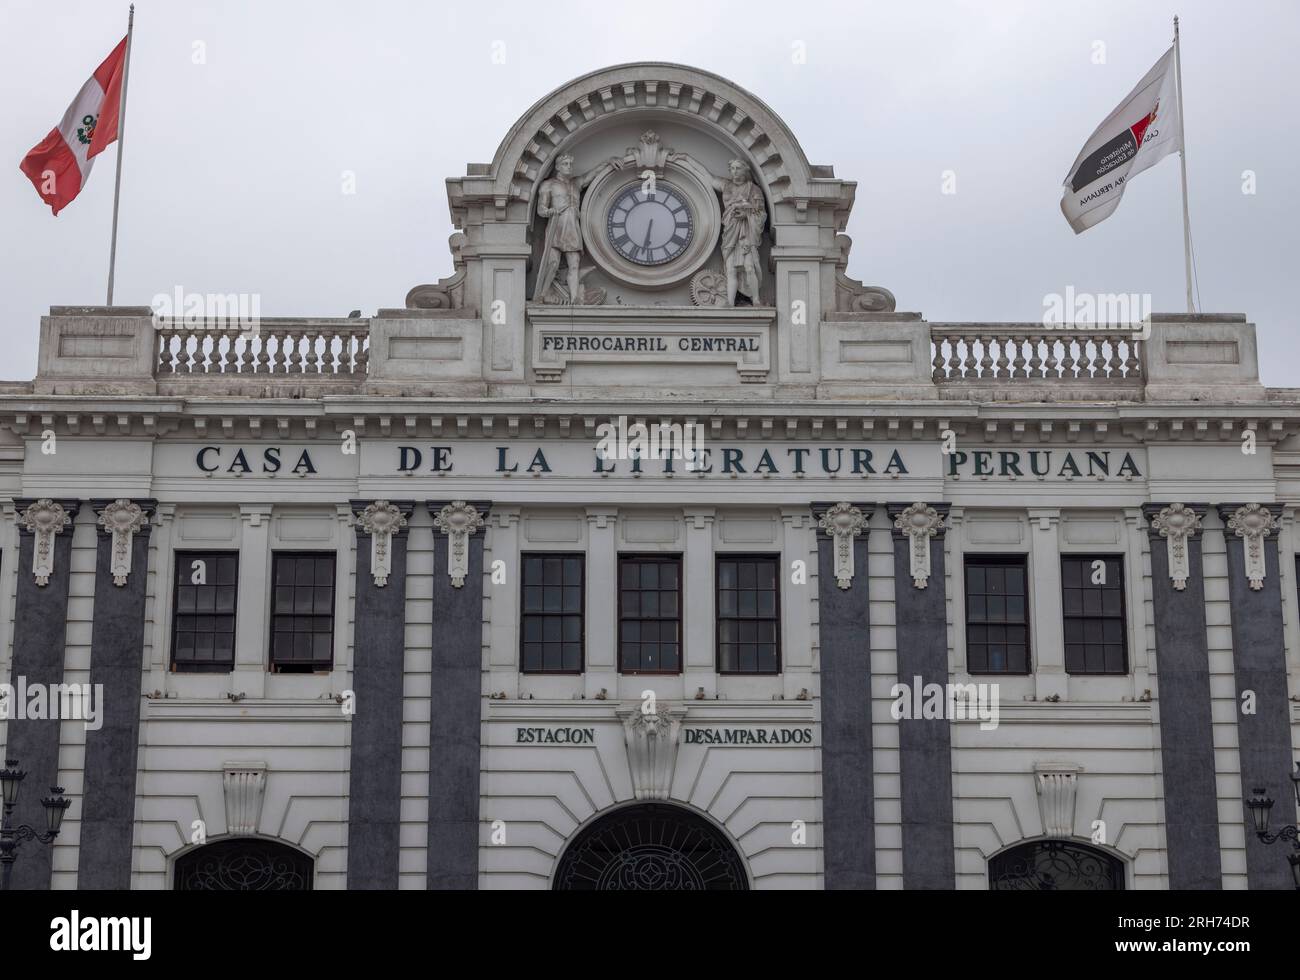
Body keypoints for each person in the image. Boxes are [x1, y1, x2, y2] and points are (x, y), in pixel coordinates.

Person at [532, 153, 624, 304]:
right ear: (557, 167)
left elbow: (592, 174)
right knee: (552, 264)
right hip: (557, 227)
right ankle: (543, 294)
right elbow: (541, 208)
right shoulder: (549, 184)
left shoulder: (576, 183)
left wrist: (608, 161)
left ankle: (575, 298)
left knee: (574, 265)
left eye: (570, 164)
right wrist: (549, 211)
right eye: (565, 164)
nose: (569, 167)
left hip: (573, 229)